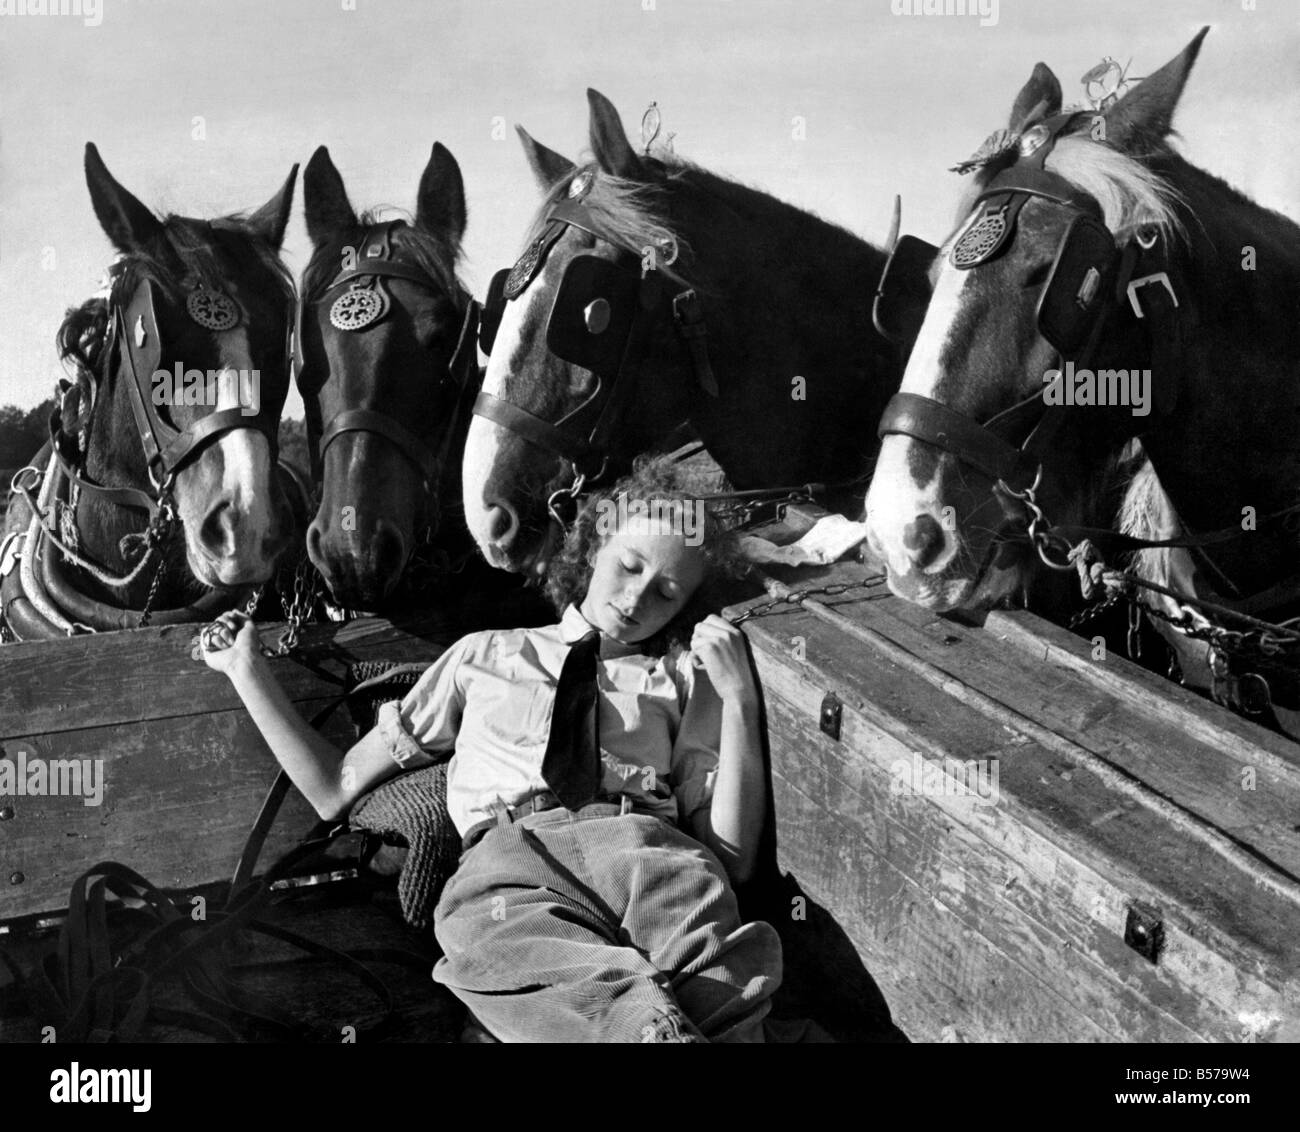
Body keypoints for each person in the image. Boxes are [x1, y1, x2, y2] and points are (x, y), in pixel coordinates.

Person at [200, 457, 783, 1042]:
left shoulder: (679, 677)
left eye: (666, 593)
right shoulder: (484, 656)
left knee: (720, 980)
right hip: (511, 868)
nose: (635, 598)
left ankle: (650, 1028)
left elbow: (730, 857)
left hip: (647, 854)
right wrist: (245, 670)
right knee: (499, 950)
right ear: (593, 546)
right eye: (628, 566)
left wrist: (739, 701)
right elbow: (335, 788)